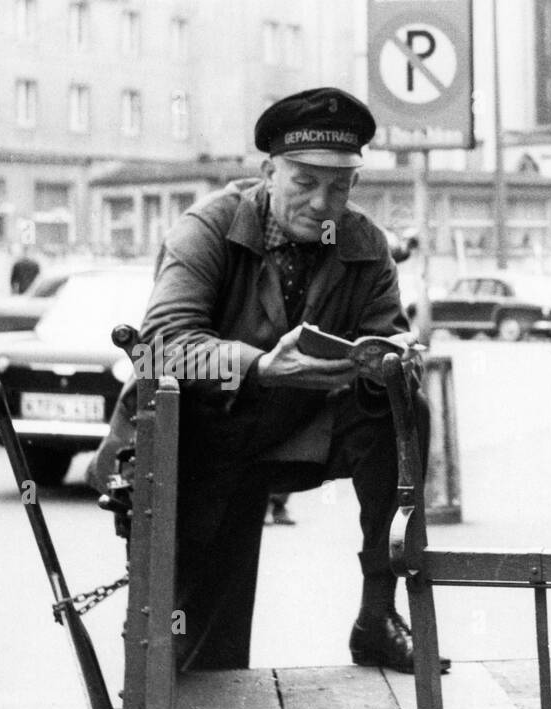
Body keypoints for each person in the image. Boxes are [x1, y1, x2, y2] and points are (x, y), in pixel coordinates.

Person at [132, 87, 448, 678]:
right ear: (268, 173)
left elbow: (386, 334)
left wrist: (393, 358)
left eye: (340, 186)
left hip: (299, 429)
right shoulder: (207, 227)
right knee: (203, 660)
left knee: (403, 406)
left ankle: (378, 613)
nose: (323, 204)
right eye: (304, 182)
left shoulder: (364, 242)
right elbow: (157, 351)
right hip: (203, 439)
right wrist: (256, 366)